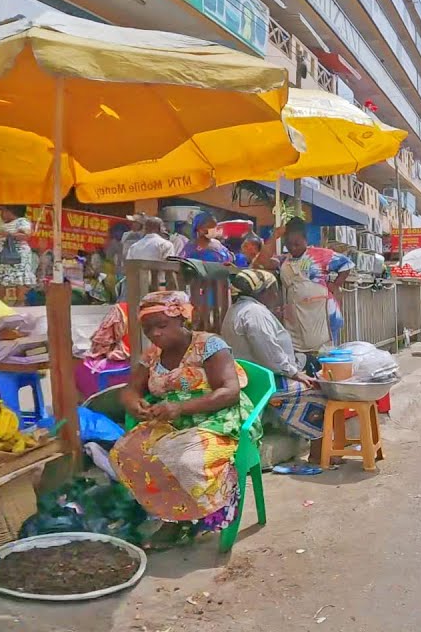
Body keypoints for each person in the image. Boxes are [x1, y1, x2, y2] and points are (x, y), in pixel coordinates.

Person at [118, 291, 260, 534]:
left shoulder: (209, 345)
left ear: (181, 319)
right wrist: (134, 404)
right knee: (127, 454)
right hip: (173, 421)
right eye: (148, 329)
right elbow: (130, 389)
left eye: (162, 326)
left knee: (184, 461)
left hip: (219, 419)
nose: (155, 334)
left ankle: (208, 514)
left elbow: (229, 392)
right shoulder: (152, 354)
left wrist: (180, 407)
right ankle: (173, 515)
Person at [221, 269, 327, 463]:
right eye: (273, 290)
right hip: (264, 381)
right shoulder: (254, 313)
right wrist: (295, 374)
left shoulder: (236, 310)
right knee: (317, 392)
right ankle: (318, 454)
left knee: (310, 364)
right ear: (262, 292)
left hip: (251, 376)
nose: (276, 295)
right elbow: (269, 354)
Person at [276, 219, 352, 369]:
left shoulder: (321, 254)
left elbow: (346, 264)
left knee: (325, 352)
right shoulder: (285, 259)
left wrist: (334, 285)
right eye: (289, 244)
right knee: (302, 351)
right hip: (298, 314)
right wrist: (274, 236)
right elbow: (262, 262)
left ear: (305, 239)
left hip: (324, 313)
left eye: (297, 243)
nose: (293, 248)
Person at [0, 206, 37, 303]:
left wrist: (8, 234)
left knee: (19, 277)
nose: (1, 214)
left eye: (3, 211)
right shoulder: (2, 224)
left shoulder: (22, 221)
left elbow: (25, 236)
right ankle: (0, 301)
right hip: (3, 255)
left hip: (19, 254)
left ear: (11, 211)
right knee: (1, 276)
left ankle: (20, 300)